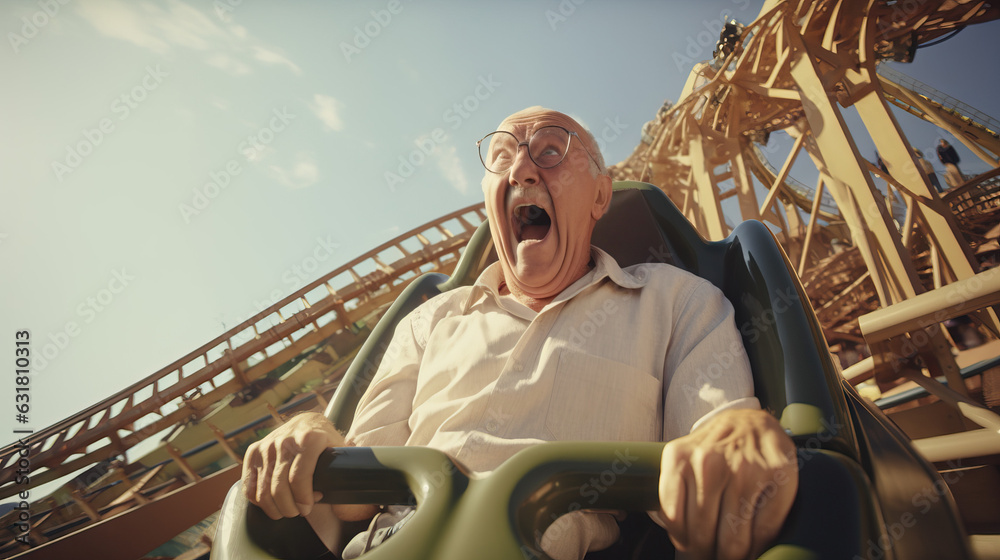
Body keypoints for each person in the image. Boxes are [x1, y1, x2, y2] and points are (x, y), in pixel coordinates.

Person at [242, 107, 798, 560]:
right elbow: (353, 497)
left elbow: (715, 435)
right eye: (503, 157)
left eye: (550, 151)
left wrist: (738, 430)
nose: (522, 171)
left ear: (600, 196)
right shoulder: (430, 320)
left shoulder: (677, 300)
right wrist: (311, 433)